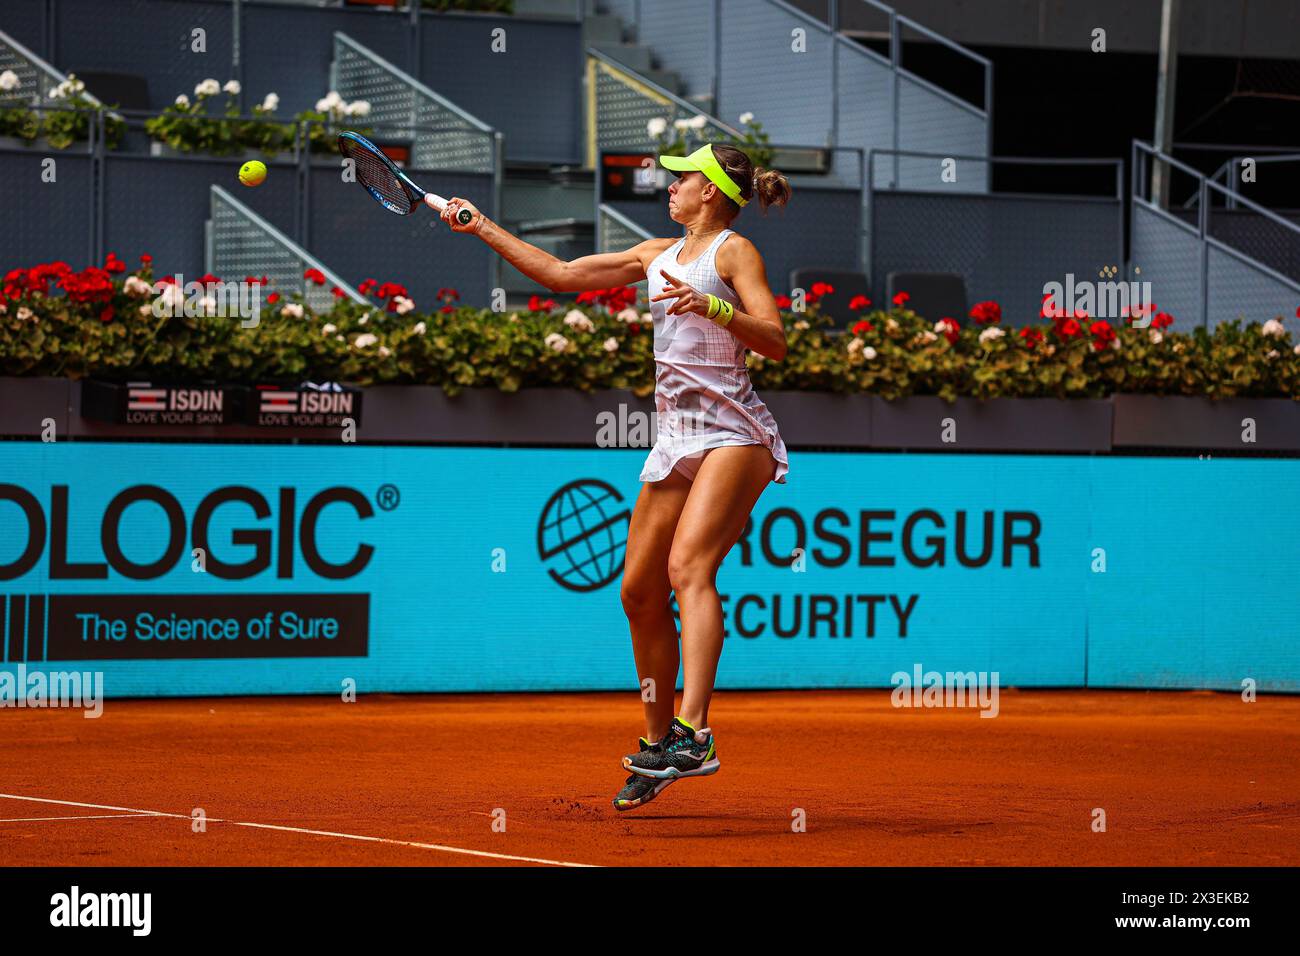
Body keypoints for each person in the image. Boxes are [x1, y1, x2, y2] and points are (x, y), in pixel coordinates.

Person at [434, 142, 791, 811]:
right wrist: (481, 225)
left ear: (710, 192)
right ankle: (658, 747)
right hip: (675, 438)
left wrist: (715, 310)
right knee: (637, 592)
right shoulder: (653, 254)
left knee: (690, 570)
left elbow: (773, 337)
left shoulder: (734, 253)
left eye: (682, 179)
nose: (671, 187)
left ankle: (696, 733)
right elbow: (562, 275)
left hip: (734, 433)